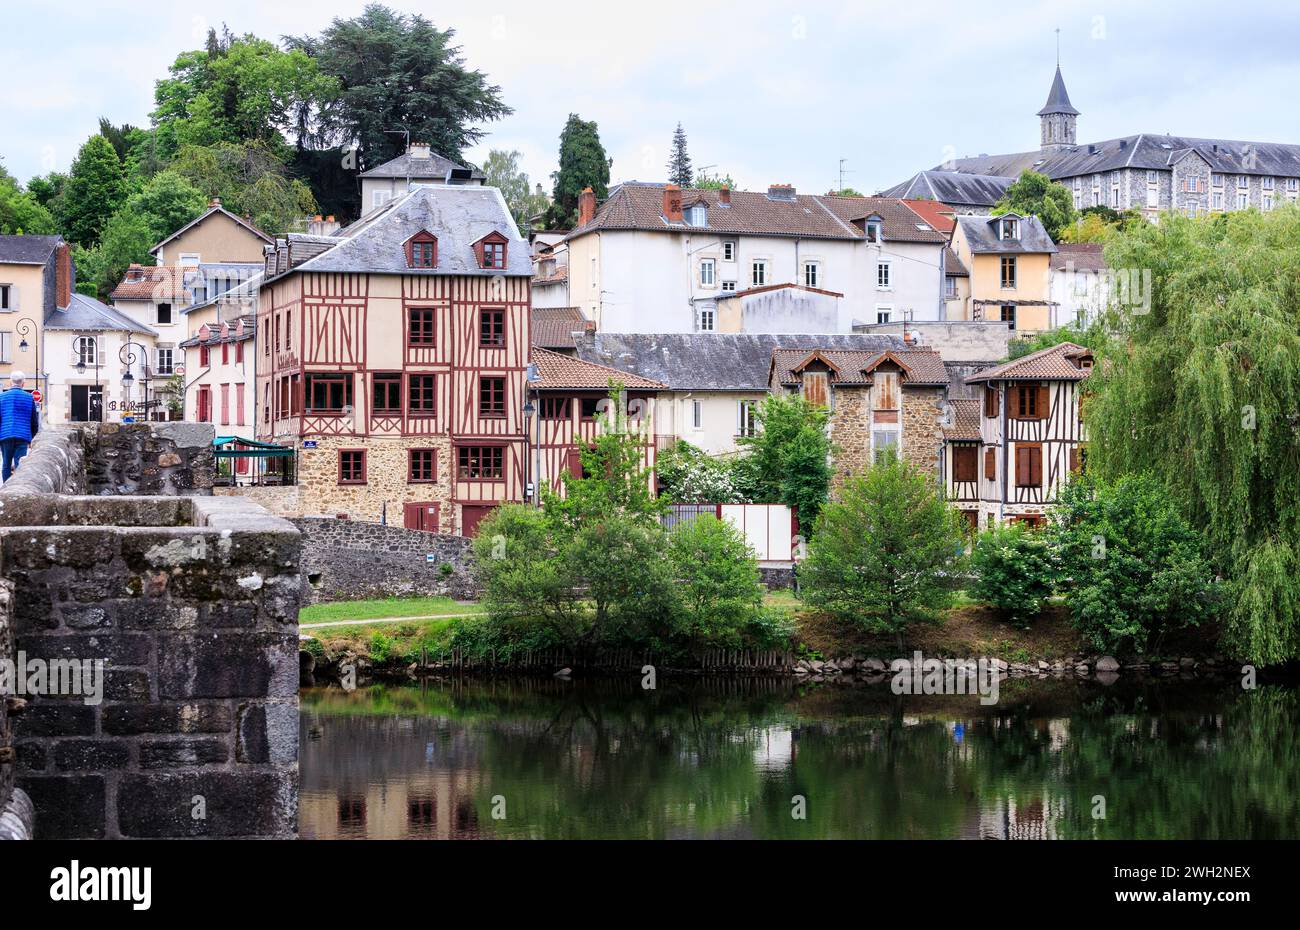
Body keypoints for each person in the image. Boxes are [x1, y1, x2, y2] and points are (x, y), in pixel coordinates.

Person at [0, 370, 40, 482]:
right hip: (22, 435)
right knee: (20, 464)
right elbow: (34, 421)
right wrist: (33, 438)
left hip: (5, 434)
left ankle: (6, 490)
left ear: (10, 382)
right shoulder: (28, 397)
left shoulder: (1, 397)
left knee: (6, 464)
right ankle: (17, 486)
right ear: (23, 383)